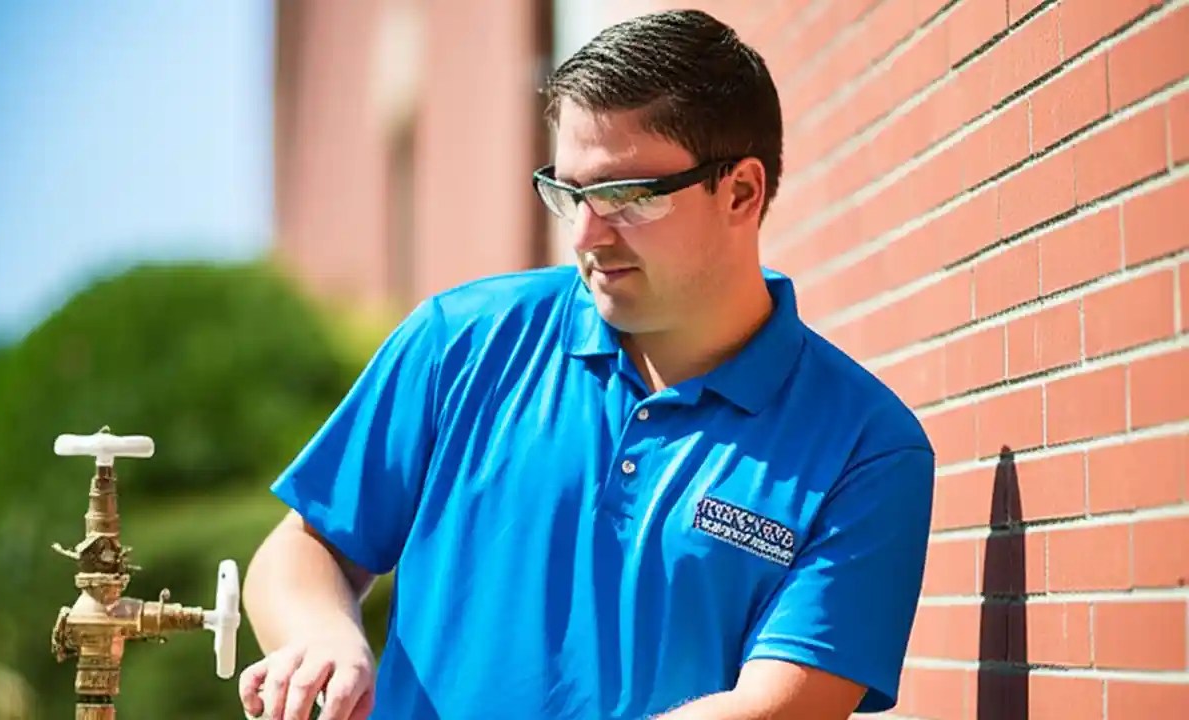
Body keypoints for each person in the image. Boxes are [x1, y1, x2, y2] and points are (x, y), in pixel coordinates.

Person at [238, 8, 934, 720]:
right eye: (569, 192)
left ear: (741, 192)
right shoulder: (461, 341)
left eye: (625, 197)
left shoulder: (866, 446)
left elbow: (786, 705)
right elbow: (306, 545)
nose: (585, 233)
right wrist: (323, 635)